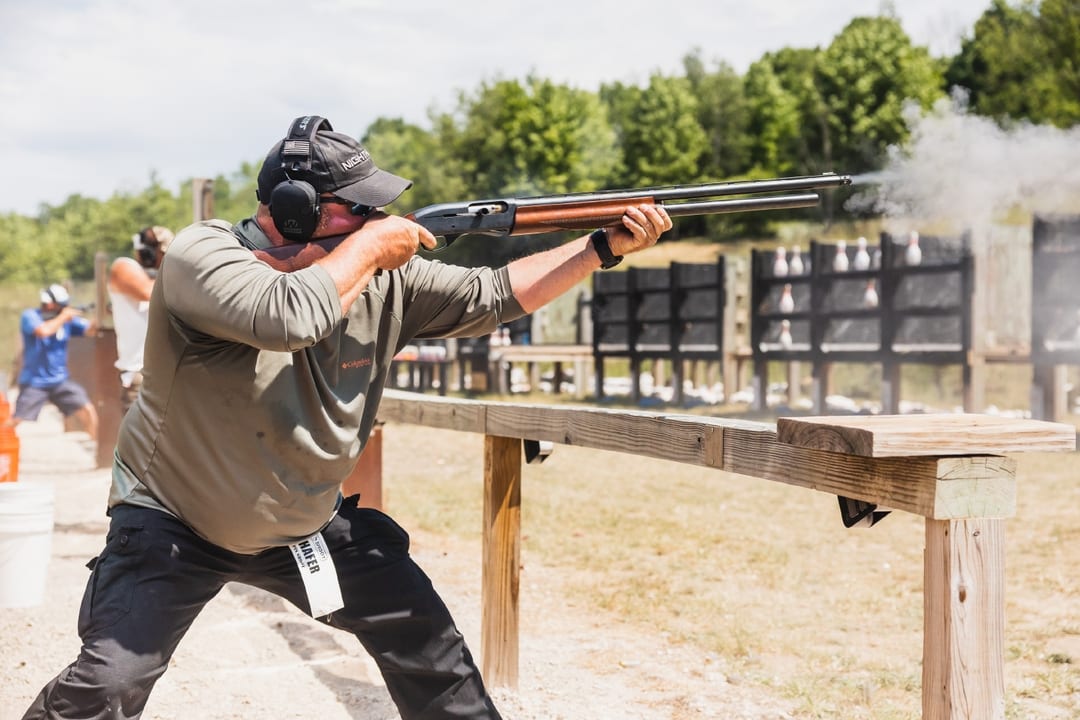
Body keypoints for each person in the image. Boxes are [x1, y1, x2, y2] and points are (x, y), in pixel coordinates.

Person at [21, 114, 671, 720]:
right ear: (294, 210)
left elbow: (494, 294)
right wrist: (372, 247)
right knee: (110, 683)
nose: (375, 219)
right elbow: (289, 316)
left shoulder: (379, 276)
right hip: (175, 523)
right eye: (357, 208)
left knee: (428, 643)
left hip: (302, 524)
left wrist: (598, 248)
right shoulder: (203, 255)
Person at [12, 284, 98, 442]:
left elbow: (90, 331)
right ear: (50, 304)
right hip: (34, 381)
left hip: (60, 380)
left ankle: (99, 449)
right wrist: (64, 317)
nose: (64, 308)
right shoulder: (30, 316)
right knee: (16, 420)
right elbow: (43, 331)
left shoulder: (65, 320)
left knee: (87, 409)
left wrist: (98, 317)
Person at [107, 225, 173, 413]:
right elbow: (147, 292)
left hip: (168, 376)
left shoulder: (161, 279)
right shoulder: (123, 266)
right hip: (141, 376)